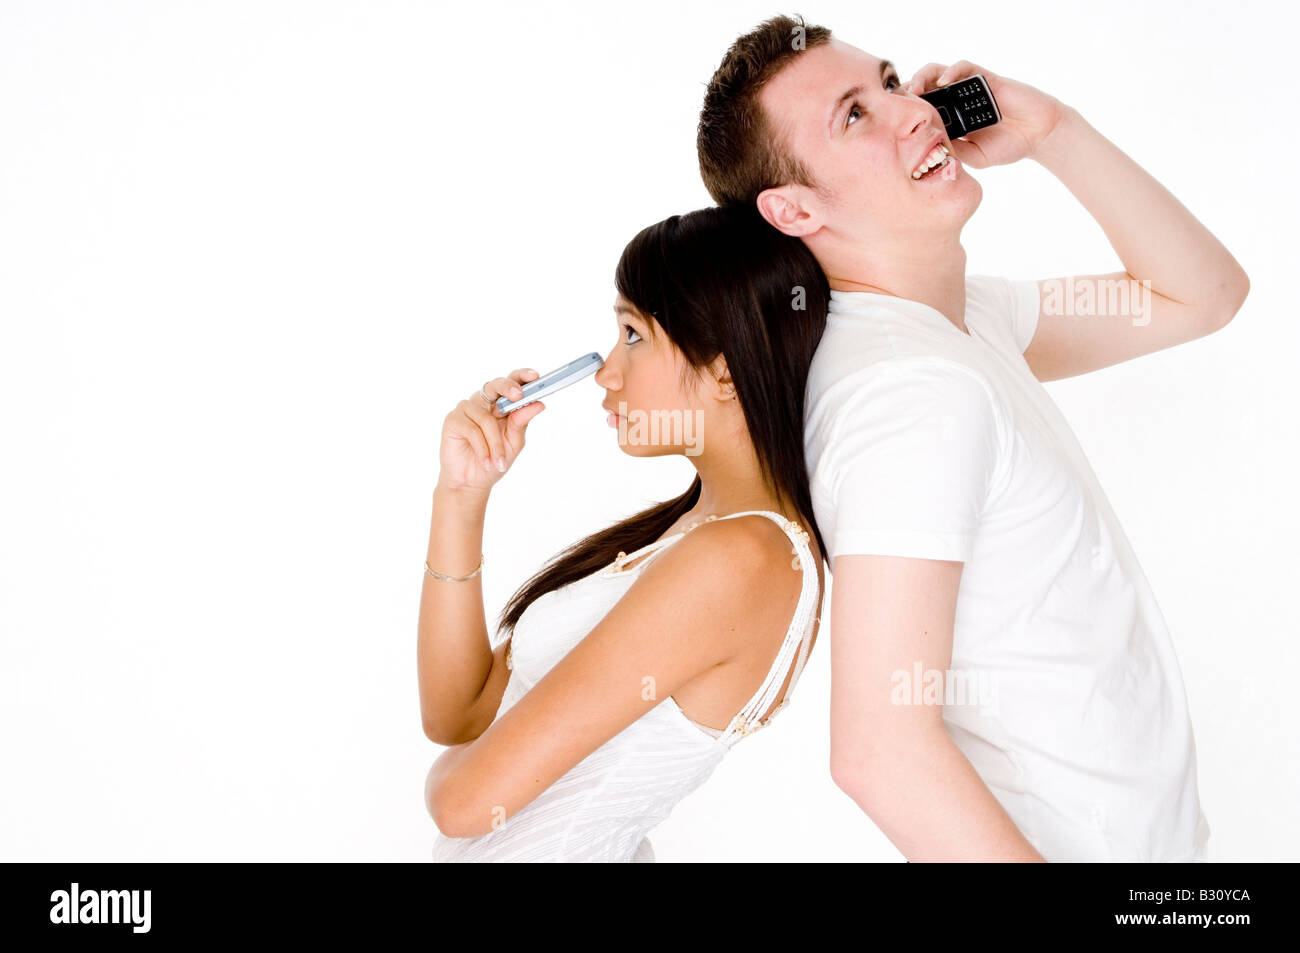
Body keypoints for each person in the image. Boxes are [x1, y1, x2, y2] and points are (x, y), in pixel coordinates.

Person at [695, 15, 1249, 861]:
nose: (909, 111)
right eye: (854, 116)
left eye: (888, 83)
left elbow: (1201, 294)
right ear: (794, 207)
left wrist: (1053, 130)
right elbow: (880, 753)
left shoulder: (960, 324)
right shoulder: (907, 391)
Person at [417, 203, 830, 862]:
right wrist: (461, 498)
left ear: (725, 367)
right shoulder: (690, 534)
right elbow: (457, 715)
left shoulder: (743, 556)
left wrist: (443, 779)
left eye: (632, 334)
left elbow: (464, 802)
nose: (608, 372)